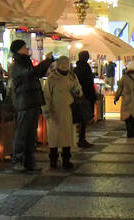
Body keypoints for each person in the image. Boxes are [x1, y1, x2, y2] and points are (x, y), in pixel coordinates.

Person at [8, 39, 53, 173]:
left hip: (32, 101)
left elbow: (36, 73)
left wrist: (47, 62)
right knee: (22, 133)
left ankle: (29, 162)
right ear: (18, 50)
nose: (27, 49)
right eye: (25, 47)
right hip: (24, 102)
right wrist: (46, 61)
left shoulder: (25, 62)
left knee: (31, 133)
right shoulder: (18, 64)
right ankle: (17, 160)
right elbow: (32, 73)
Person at [43, 56, 81, 170]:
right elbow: (47, 96)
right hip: (54, 111)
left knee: (67, 137)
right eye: (62, 64)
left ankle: (66, 159)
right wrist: (46, 110)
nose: (65, 66)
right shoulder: (51, 78)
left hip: (69, 111)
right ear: (58, 65)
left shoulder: (72, 77)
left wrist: (77, 91)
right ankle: (53, 159)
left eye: (66, 64)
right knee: (54, 137)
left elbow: (78, 90)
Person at [114, 59, 134, 138]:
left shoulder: (124, 78)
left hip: (127, 101)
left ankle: (129, 132)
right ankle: (133, 132)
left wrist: (116, 97)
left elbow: (120, 89)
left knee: (127, 118)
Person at [74, 49, 97, 148]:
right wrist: (92, 96)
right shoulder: (85, 68)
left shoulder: (76, 68)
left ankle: (81, 138)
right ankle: (81, 139)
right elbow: (89, 84)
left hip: (79, 96)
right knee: (83, 119)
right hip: (85, 96)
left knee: (81, 119)